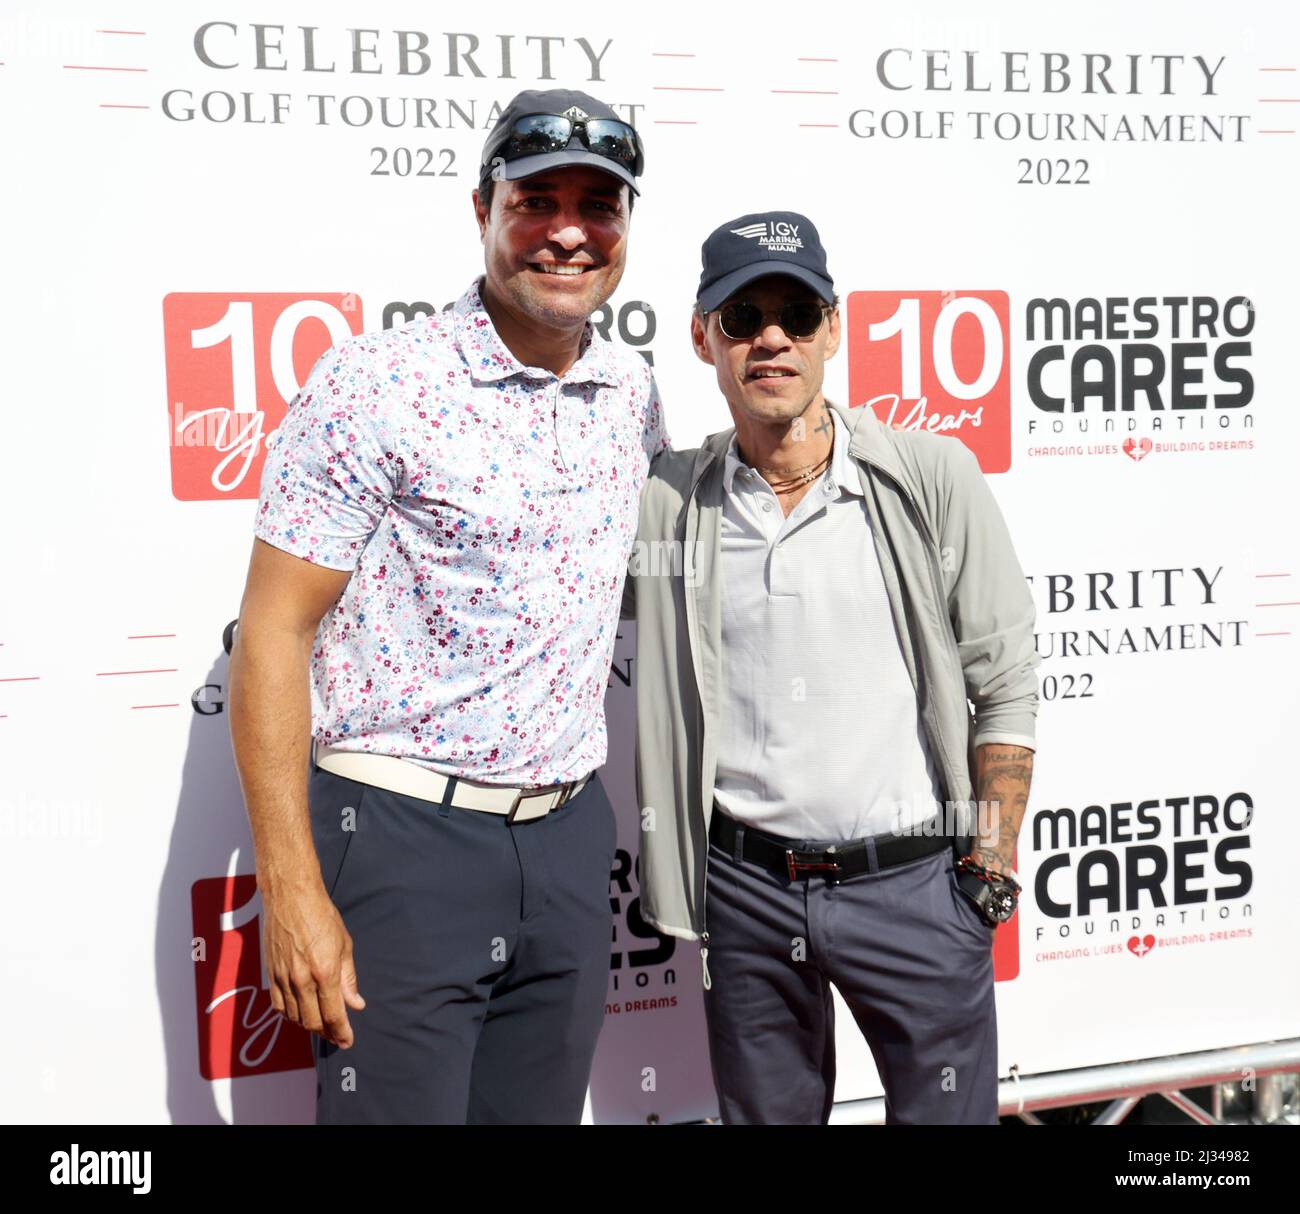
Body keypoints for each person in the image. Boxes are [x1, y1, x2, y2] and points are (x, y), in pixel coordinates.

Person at [228, 88, 669, 1124]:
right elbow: (272, 631)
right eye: (536, 200)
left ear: (623, 227)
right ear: (483, 208)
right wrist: (291, 886)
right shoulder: (377, 383)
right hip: (397, 837)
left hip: (568, 839)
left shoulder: (633, 390)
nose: (567, 230)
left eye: (597, 203)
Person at [622, 211, 1038, 1124]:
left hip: (918, 888)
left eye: (797, 312)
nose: (772, 337)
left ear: (834, 329)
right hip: (746, 895)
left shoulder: (928, 478)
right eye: (742, 316)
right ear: (702, 337)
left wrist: (987, 872)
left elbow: (1003, 684)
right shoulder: (668, 502)